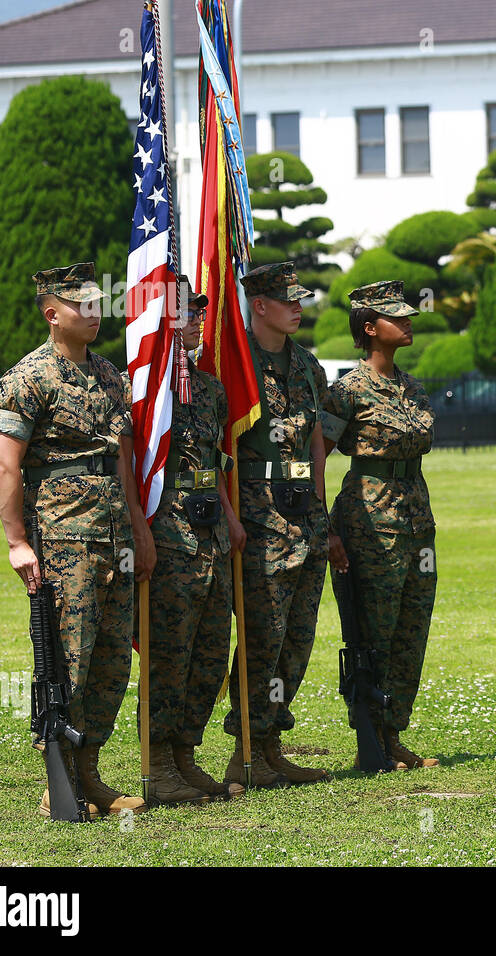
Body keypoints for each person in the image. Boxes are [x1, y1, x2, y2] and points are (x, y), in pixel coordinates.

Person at [0, 262, 154, 818]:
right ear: (51, 313)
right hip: (64, 540)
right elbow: (6, 465)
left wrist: (138, 526)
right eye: (80, 304)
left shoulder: (111, 376)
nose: (94, 311)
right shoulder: (29, 377)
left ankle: (91, 776)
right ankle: (57, 781)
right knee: (68, 660)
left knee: (111, 660)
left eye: (96, 302)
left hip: (113, 536)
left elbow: (124, 462)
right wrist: (18, 541)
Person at [321, 281, 439, 771]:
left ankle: (395, 732)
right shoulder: (347, 389)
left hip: (415, 517)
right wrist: (324, 528)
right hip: (368, 520)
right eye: (396, 317)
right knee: (374, 629)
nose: (408, 321)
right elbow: (316, 455)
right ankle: (369, 736)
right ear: (369, 329)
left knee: (412, 627)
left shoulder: (412, 387)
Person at [222, 262, 330, 788]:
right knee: (263, 634)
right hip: (257, 509)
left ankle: (270, 746)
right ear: (258, 304)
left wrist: (322, 512)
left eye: (300, 299)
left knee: (297, 637)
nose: (298, 307)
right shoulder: (232, 363)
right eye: (287, 300)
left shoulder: (309, 366)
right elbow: (219, 446)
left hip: (303, 511)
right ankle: (245, 747)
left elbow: (316, 448)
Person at [142, 278, 245, 803]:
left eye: (203, 309)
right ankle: (157, 763)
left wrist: (229, 517)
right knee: (169, 653)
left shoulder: (208, 387)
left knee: (209, 652)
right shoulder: (145, 388)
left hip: (210, 537)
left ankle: (186, 754)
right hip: (170, 538)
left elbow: (213, 459)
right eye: (188, 310)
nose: (200, 317)